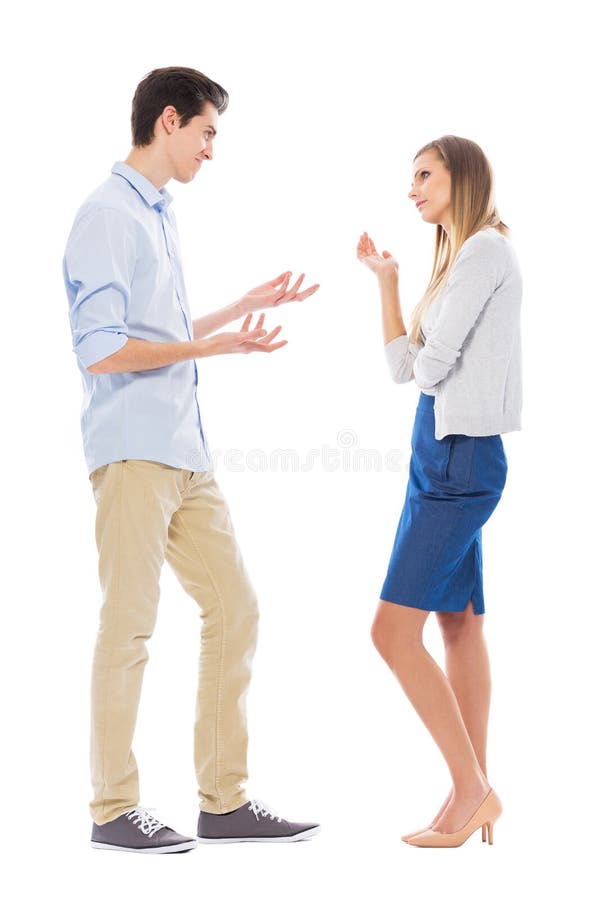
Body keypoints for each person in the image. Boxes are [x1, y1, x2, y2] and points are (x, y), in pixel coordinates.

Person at [62, 66, 321, 854]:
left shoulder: (158, 215)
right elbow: (103, 350)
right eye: (207, 132)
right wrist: (211, 344)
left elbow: (159, 329)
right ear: (168, 121)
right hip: (136, 452)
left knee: (235, 607)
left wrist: (235, 311)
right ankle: (113, 809)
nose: (212, 149)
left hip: (185, 452)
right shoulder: (107, 215)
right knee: (131, 625)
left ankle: (224, 800)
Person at [356, 135, 522, 848]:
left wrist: (422, 351)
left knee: (391, 634)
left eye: (424, 175)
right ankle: (473, 790)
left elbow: (426, 371)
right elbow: (406, 371)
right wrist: (388, 283)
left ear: (462, 177)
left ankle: (471, 790)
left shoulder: (485, 251)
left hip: (457, 461)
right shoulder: (458, 258)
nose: (412, 188)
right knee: (458, 625)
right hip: (443, 454)